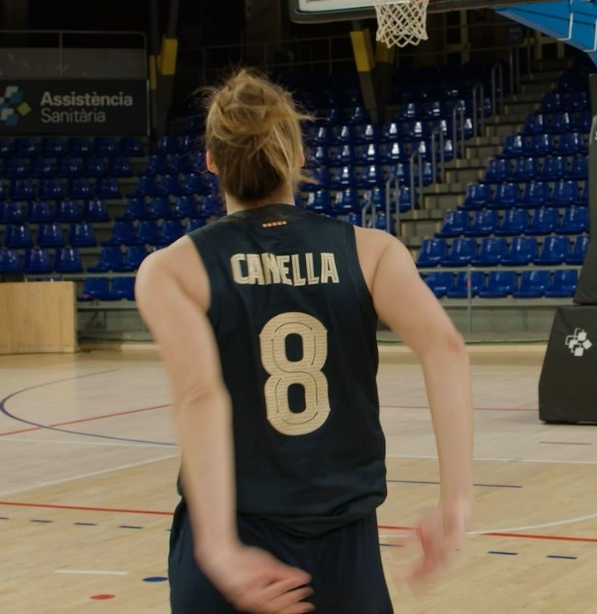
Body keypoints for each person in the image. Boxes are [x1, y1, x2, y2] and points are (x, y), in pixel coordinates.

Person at [135, 68, 474, 614]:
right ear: (296, 156)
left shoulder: (171, 270)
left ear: (212, 161)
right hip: (343, 550)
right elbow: (445, 349)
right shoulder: (371, 251)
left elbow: (200, 395)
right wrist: (455, 499)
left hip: (234, 539)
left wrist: (219, 547)